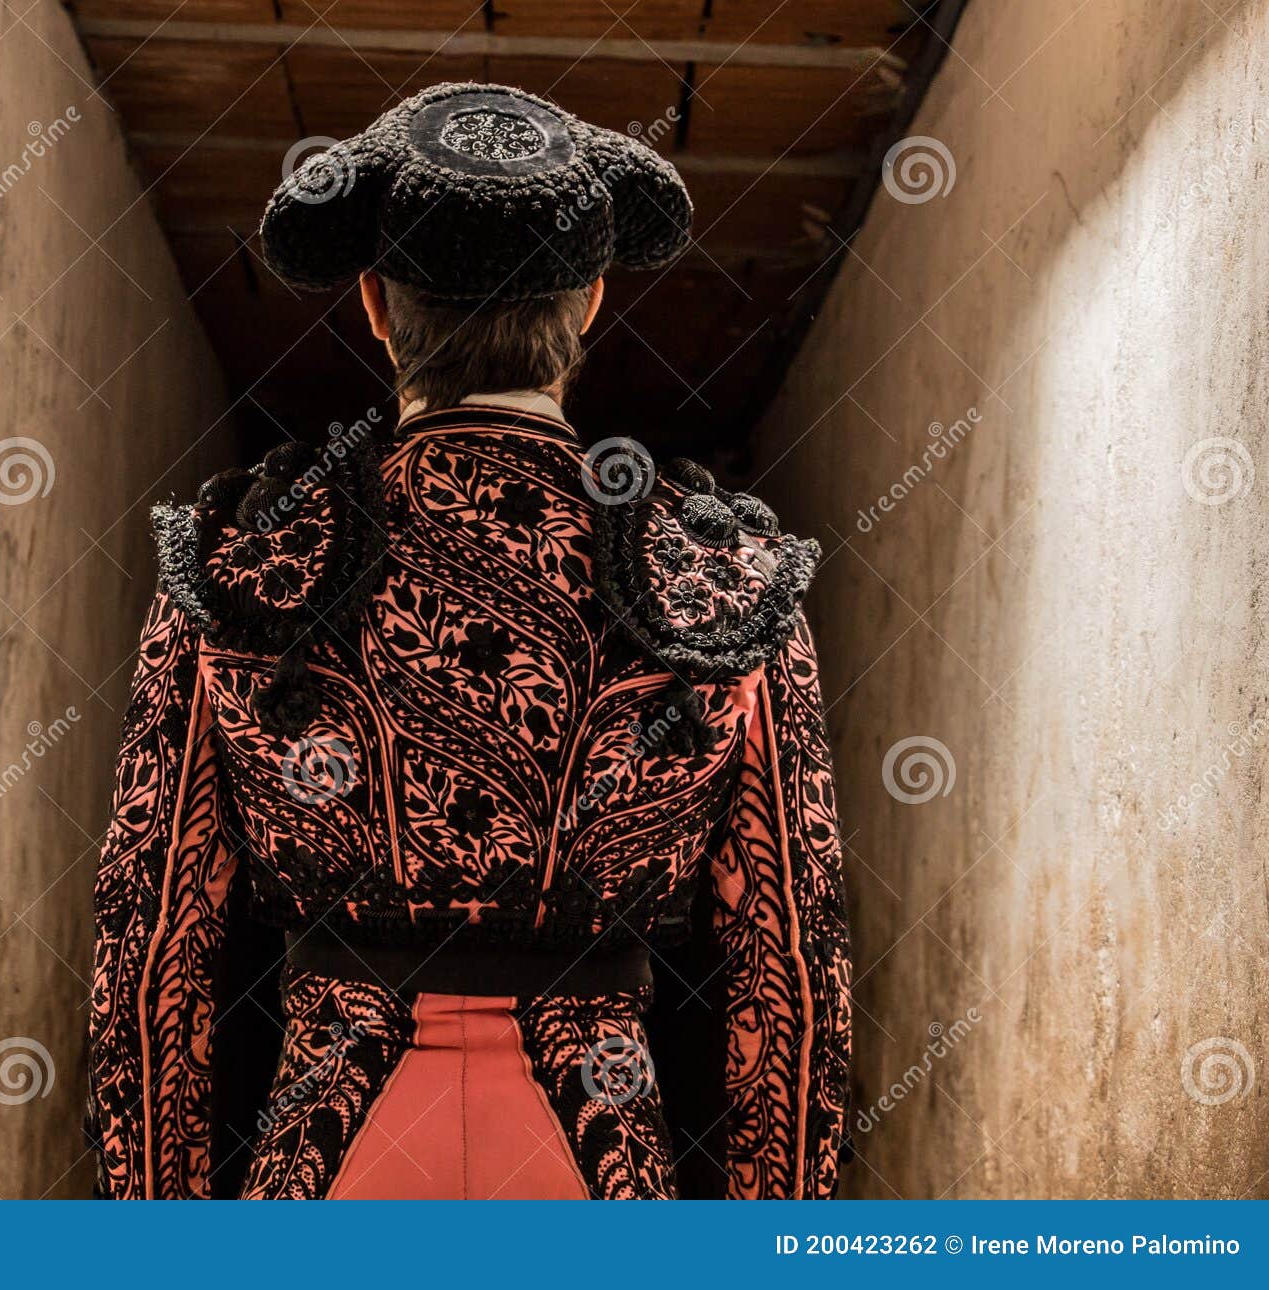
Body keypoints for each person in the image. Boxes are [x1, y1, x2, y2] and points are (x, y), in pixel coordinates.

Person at [87, 82, 850, 1200]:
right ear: (589, 304)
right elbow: (790, 970)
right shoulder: (722, 575)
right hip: (603, 1161)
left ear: (374, 306)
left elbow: (150, 946)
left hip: (324, 1160)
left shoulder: (241, 557)